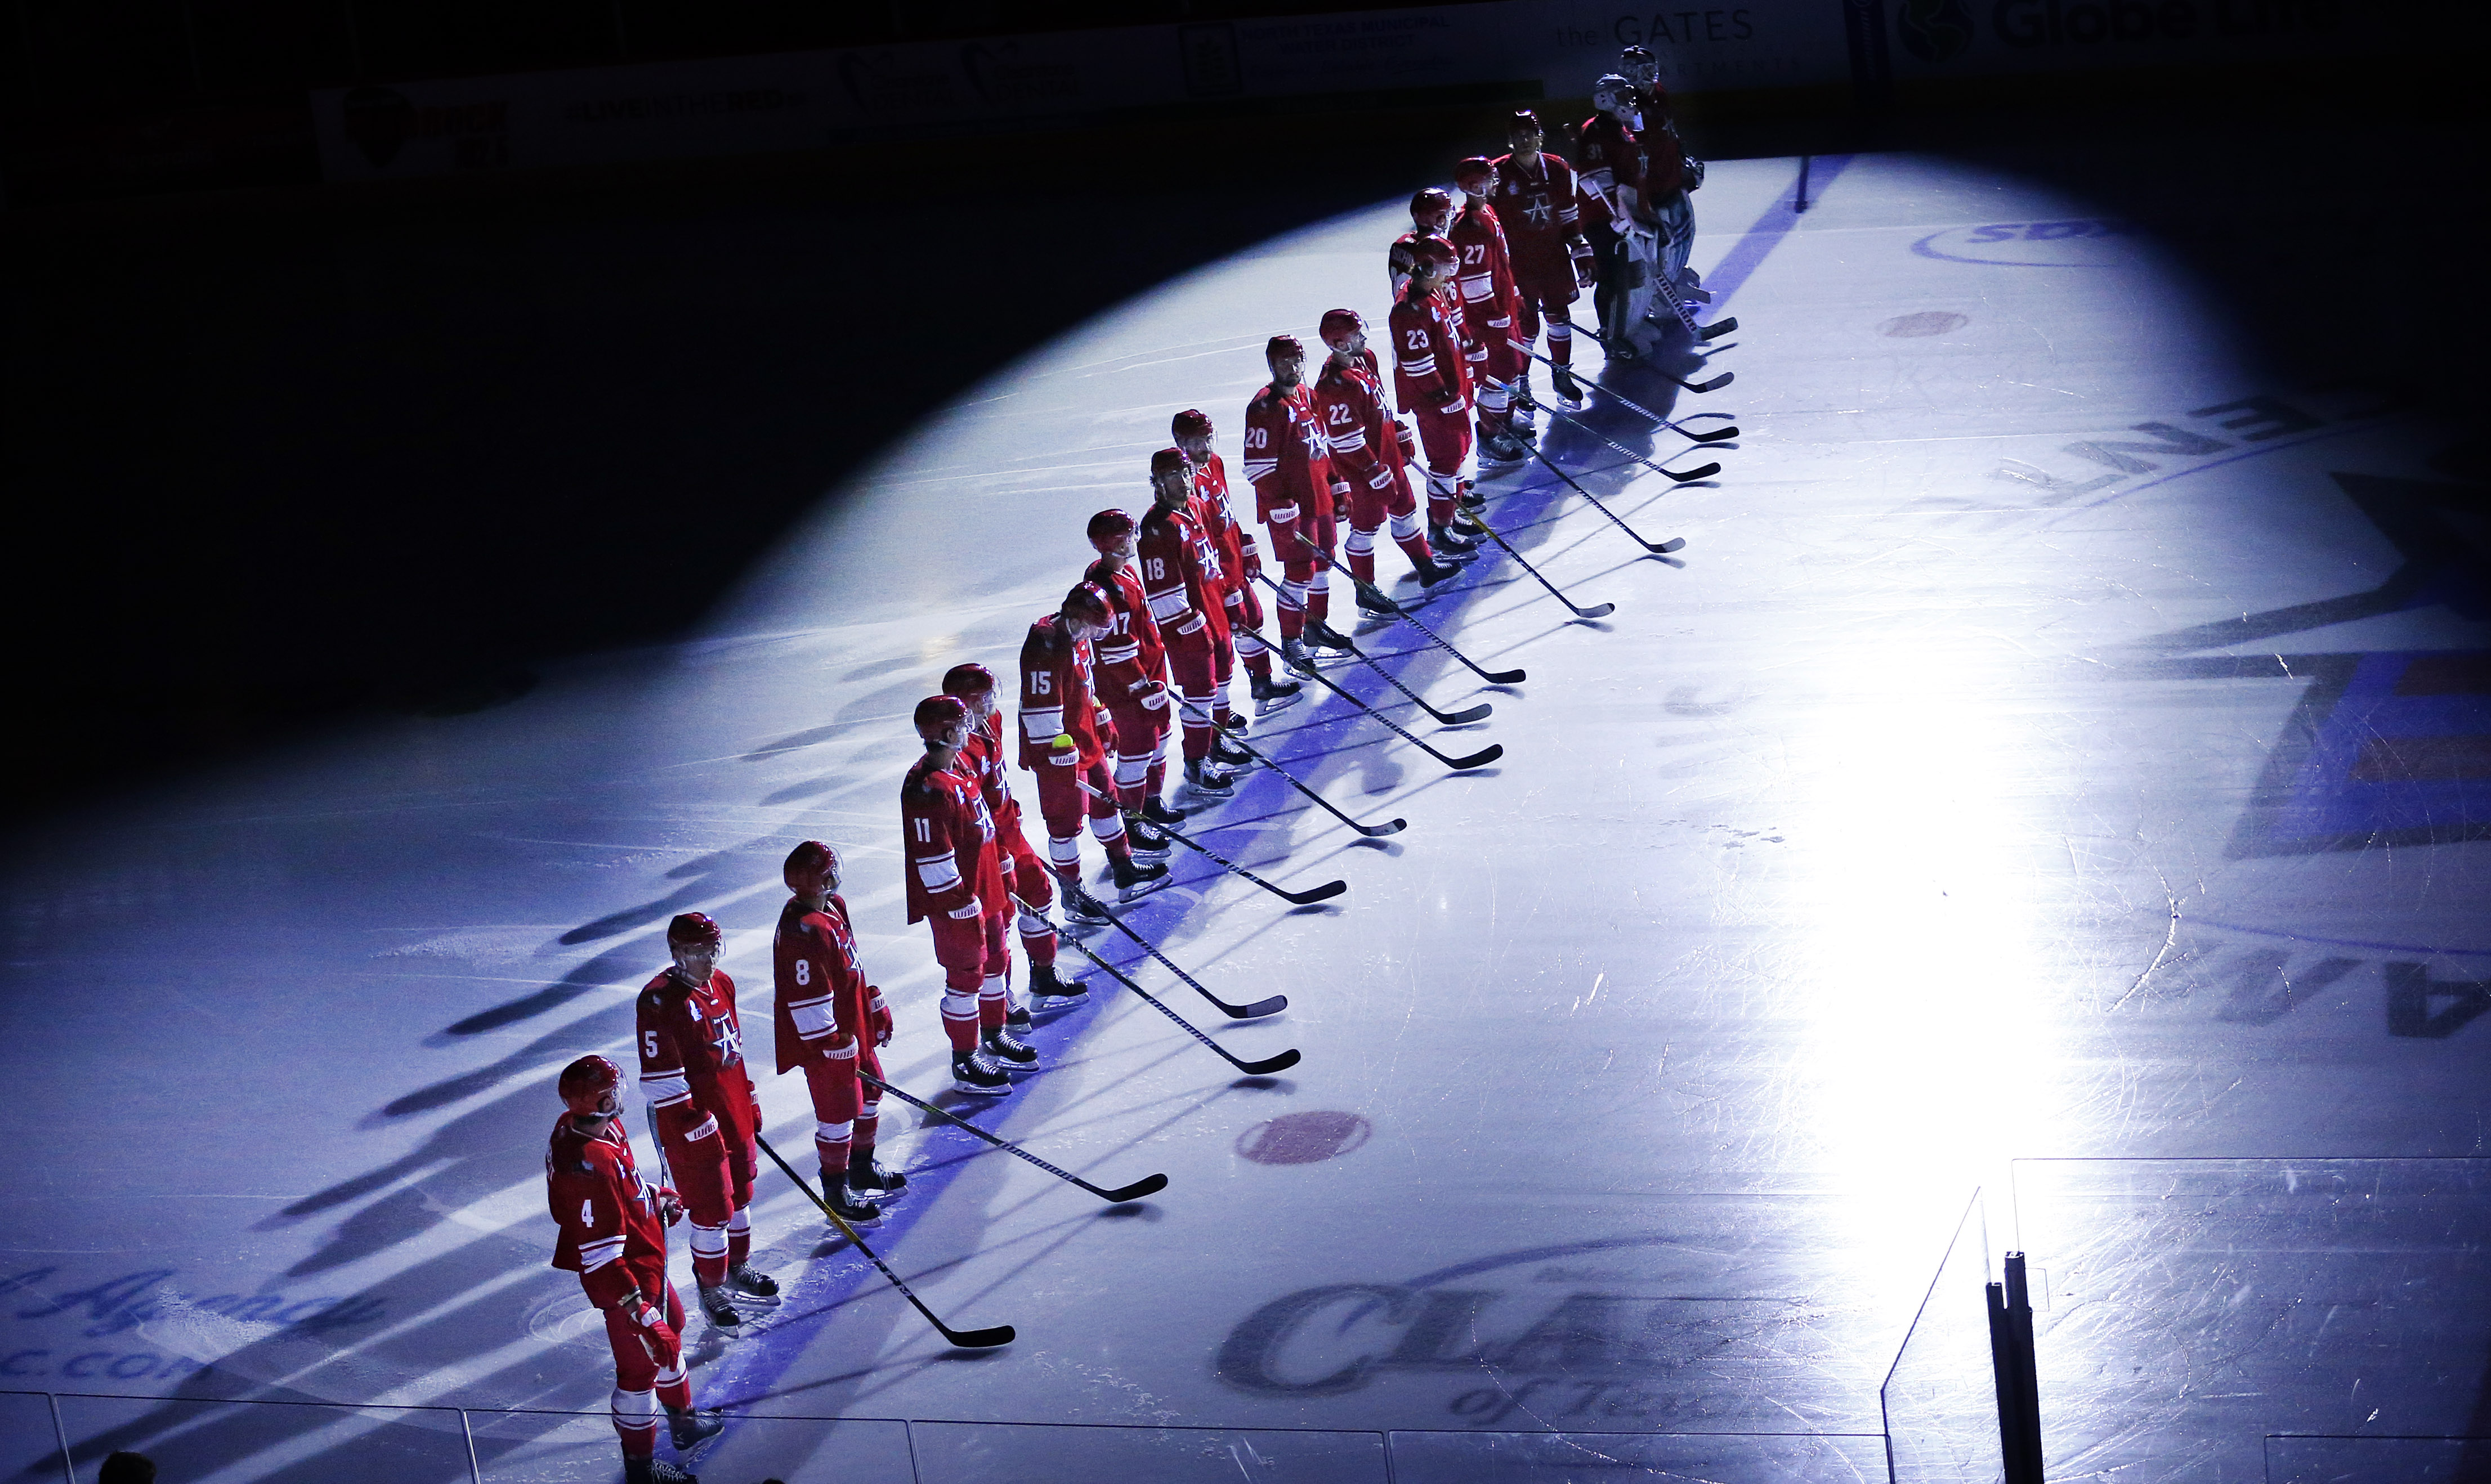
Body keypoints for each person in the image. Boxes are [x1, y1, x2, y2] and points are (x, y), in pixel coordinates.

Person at [545, 1053, 722, 1484]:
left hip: (644, 1259)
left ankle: (683, 1422)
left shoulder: (595, 1127)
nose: (620, 1094)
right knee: (639, 1372)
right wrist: (639, 1312)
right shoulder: (588, 1165)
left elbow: (623, 1184)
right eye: (613, 1090)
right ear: (602, 1100)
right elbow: (601, 1258)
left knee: (673, 1326)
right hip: (626, 1281)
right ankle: (640, 1468)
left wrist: (651, 1197)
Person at [634, 912, 772, 1333]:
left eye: (713, 949)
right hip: (692, 1124)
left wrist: (748, 1096)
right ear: (677, 952)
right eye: (697, 952)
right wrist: (691, 1123)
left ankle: (737, 1266)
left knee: (742, 1192)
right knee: (712, 1207)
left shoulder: (723, 983)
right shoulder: (658, 1001)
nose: (708, 960)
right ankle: (710, 1284)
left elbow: (734, 1052)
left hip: (731, 1109)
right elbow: (661, 1078)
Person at [903, 693, 1031, 1094]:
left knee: (996, 959)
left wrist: (1001, 867)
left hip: (984, 887)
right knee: (966, 976)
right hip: (957, 902)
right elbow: (932, 857)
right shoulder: (926, 789)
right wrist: (958, 903)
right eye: (960, 725)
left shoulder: (959, 765)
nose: (968, 728)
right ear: (944, 734)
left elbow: (983, 824)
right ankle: (965, 1059)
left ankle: (994, 1031)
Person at [1017, 582, 1171, 904]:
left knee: (1108, 801)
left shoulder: (1079, 638)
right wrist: (1057, 757)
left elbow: (1085, 687)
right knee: (1066, 824)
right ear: (1076, 620)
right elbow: (1038, 708)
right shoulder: (1045, 646)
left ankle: (1124, 867)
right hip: (1057, 752)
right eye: (1093, 628)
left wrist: (1102, 718)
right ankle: (1073, 894)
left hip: (1085, 739)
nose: (1095, 636)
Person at [942, 661, 1086, 1006]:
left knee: (1038, 890)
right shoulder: (959, 752)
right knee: (999, 921)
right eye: (983, 697)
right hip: (987, 846)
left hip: (1009, 831)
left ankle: (1044, 972)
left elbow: (996, 778)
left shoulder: (991, 723)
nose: (991, 702)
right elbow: (970, 811)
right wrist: (998, 851)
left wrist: (1011, 807)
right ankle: (1000, 997)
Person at [773, 840, 902, 1220]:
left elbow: (850, 965)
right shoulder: (803, 930)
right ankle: (836, 1187)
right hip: (827, 1042)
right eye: (828, 872)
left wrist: (870, 1002)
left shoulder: (834, 907)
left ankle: (862, 1165)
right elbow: (807, 998)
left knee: (872, 1089)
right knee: (837, 1113)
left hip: (851, 1026)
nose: (835, 877)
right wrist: (830, 1047)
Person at [1313, 307, 1465, 616]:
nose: (1363, 337)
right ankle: (1365, 591)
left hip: (1386, 456)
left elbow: (1380, 404)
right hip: (1360, 470)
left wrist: (1397, 431)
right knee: (1366, 526)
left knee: (1405, 509)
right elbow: (1345, 440)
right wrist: (1372, 471)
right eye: (1356, 334)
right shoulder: (1333, 386)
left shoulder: (1366, 359)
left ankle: (1426, 567)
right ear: (1339, 343)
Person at [1173, 409, 1299, 717]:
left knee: (1253, 619)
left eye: (1208, 439)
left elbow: (1225, 515)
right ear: (1181, 443)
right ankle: (1220, 714)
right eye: (1196, 442)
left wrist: (1243, 542)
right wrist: (1225, 586)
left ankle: (1263, 683)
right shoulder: (1185, 485)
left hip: (1232, 561)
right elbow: (1201, 537)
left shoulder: (1215, 463)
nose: (1205, 447)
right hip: (1213, 574)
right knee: (1222, 643)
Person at [1137, 447, 1245, 799]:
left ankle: (1216, 741)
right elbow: (1162, 590)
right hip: (1188, 627)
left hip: (1214, 612)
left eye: (1185, 473)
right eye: (1173, 476)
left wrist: (1229, 598)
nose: (1183, 481)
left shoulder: (1197, 506)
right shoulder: (1157, 528)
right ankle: (1196, 762)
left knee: (1223, 678)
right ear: (1157, 482)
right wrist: (1190, 626)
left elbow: (1212, 559)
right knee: (1201, 692)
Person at [1242, 333, 1348, 666]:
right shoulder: (1264, 408)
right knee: (1300, 571)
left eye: (1297, 360)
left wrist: (1336, 483)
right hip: (1291, 508)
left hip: (1318, 497)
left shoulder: (1307, 395)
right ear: (1272, 365)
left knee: (1324, 562)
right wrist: (1280, 505)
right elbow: (1256, 468)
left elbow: (1322, 447)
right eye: (1284, 361)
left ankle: (1316, 626)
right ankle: (1292, 642)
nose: (1292, 367)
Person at [1490, 108, 1604, 409]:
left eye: (1529, 134)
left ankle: (1561, 374)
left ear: (1540, 137)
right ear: (1510, 139)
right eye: (1518, 135)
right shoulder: (1497, 173)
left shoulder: (1557, 168)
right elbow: (1491, 226)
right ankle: (1522, 382)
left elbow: (1568, 215)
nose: (1524, 140)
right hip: (1517, 263)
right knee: (1526, 325)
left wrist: (1581, 252)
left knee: (1560, 318)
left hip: (1553, 257)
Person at [1082, 509, 1180, 852]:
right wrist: (1140, 686)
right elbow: (1115, 653)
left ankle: (1151, 802)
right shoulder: (1110, 589)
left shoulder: (1125, 572)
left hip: (1150, 672)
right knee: (1137, 751)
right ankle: (1132, 822)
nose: (1134, 540)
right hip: (1126, 687)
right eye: (1126, 536)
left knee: (1161, 736)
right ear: (1111, 544)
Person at [1389, 236, 1483, 555]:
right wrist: (1444, 398)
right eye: (1446, 268)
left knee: (1457, 454)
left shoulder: (1432, 293)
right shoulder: (1409, 310)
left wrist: (1464, 372)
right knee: (1445, 461)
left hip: (1450, 396)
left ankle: (1451, 516)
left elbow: (1448, 340)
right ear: (1428, 268)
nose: (1450, 275)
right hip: (1435, 403)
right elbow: (1418, 365)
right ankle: (1441, 528)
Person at [1450, 156, 1531, 463]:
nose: (1496, 181)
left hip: (1502, 310)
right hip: (1487, 319)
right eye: (1489, 178)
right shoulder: (1469, 227)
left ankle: (1505, 422)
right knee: (1498, 374)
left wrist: (1514, 295)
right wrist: (1494, 319)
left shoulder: (1488, 212)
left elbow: (1500, 264)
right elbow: (1473, 283)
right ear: (1474, 185)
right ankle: (1489, 435)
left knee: (1514, 367)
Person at [1619, 44, 1707, 306]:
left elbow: (1670, 132)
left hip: (1672, 179)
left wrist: (1683, 158)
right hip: (1651, 189)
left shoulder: (1659, 93)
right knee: (1662, 241)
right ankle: (1659, 293)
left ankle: (1675, 275)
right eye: (1639, 72)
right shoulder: (1626, 105)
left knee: (1686, 230)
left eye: (1649, 70)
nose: (1646, 77)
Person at [1575, 73, 1651, 355]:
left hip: (1621, 216)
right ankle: (1610, 333)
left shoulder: (1621, 128)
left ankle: (1629, 325)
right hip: (1601, 219)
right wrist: (1616, 217)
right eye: (1621, 96)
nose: (1628, 101)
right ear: (1605, 99)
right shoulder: (1595, 131)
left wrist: (1633, 214)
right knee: (1611, 277)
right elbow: (1593, 179)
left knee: (1631, 276)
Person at [1387, 186, 1456, 298]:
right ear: (1439, 219)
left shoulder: (1401, 245)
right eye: (1446, 214)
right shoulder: (1433, 251)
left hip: (1407, 302)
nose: (1448, 218)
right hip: (1426, 305)